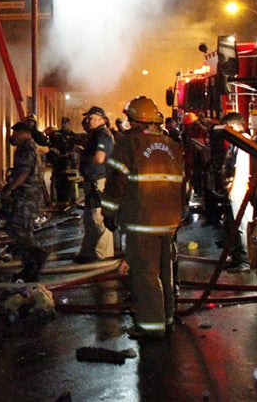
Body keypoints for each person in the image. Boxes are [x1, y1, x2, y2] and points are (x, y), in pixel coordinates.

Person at [103, 96, 185, 340]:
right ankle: (167, 320)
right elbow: (182, 185)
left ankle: (150, 328)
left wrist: (108, 212)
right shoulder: (173, 146)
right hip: (169, 222)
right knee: (165, 273)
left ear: (136, 121)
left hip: (141, 221)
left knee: (145, 274)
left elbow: (116, 183)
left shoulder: (128, 145)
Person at [0, 121, 50, 282]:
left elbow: (25, 172)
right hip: (32, 194)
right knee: (22, 228)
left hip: (25, 195)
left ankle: (36, 254)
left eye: (16, 133)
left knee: (17, 227)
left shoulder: (26, 149)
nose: (13, 136)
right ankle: (29, 268)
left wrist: (11, 189)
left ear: (24, 133)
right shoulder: (37, 149)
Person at [74, 106, 116, 262]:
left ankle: (102, 255)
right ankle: (88, 252)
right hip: (92, 181)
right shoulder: (97, 135)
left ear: (101, 119)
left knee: (98, 217)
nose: (86, 121)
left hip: (98, 180)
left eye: (90, 118)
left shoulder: (102, 135)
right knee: (90, 217)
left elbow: (99, 158)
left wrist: (81, 154)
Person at [217, 112, 251, 272]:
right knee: (234, 225)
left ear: (232, 127)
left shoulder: (244, 143)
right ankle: (237, 258)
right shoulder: (237, 142)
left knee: (242, 226)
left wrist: (234, 189)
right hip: (234, 191)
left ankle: (246, 261)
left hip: (239, 192)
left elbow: (242, 169)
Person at [48, 117, 79, 205]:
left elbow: (76, 148)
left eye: (66, 123)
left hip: (70, 166)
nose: (64, 125)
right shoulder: (57, 135)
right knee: (59, 186)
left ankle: (72, 203)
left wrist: (72, 154)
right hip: (59, 166)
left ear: (69, 124)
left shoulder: (73, 135)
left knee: (71, 185)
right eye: (63, 123)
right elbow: (52, 146)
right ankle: (59, 203)